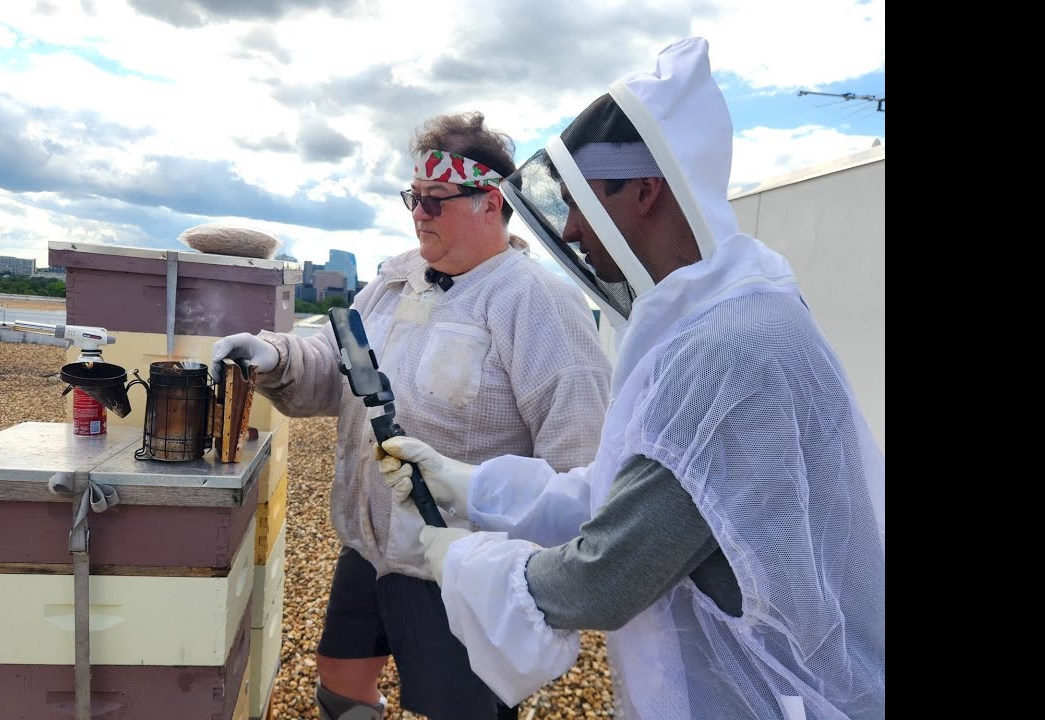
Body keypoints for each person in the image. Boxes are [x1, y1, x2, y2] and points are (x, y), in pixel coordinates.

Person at [377, 37, 885, 720]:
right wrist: (468, 481)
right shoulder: (712, 318)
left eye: (584, 200)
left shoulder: (734, 348)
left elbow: (607, 575)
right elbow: (623, 486)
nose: (575, 229)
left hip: (768, 697)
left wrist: (458, 560)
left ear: (645, 191)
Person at [210, 111, 612, 720]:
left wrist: (542, 578)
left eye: (436, 201)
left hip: (461, 560)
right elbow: (338, 362)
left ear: (491, 203)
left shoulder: (538, 303)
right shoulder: (397, 282)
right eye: (414, 199)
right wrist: (273, 355)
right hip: (372, 542)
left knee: (461, 710)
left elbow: (579, 455)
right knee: (340, 684)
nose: (419, 215)